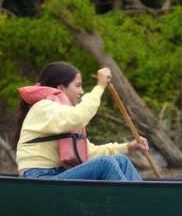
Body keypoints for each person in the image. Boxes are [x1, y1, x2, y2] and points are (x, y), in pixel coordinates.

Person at [14, 62, 149, 180]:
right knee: (106, 164)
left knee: (122, 160)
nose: (82, 91)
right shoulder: (44, 107)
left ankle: (144, 201)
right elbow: (79, 117)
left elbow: (89, 152)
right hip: (38, 176)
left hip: (58, 173)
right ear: (61, 88)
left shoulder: (61, 113)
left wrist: (127, 147)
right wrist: (100, 86)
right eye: (78, 85)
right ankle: (134, 204)